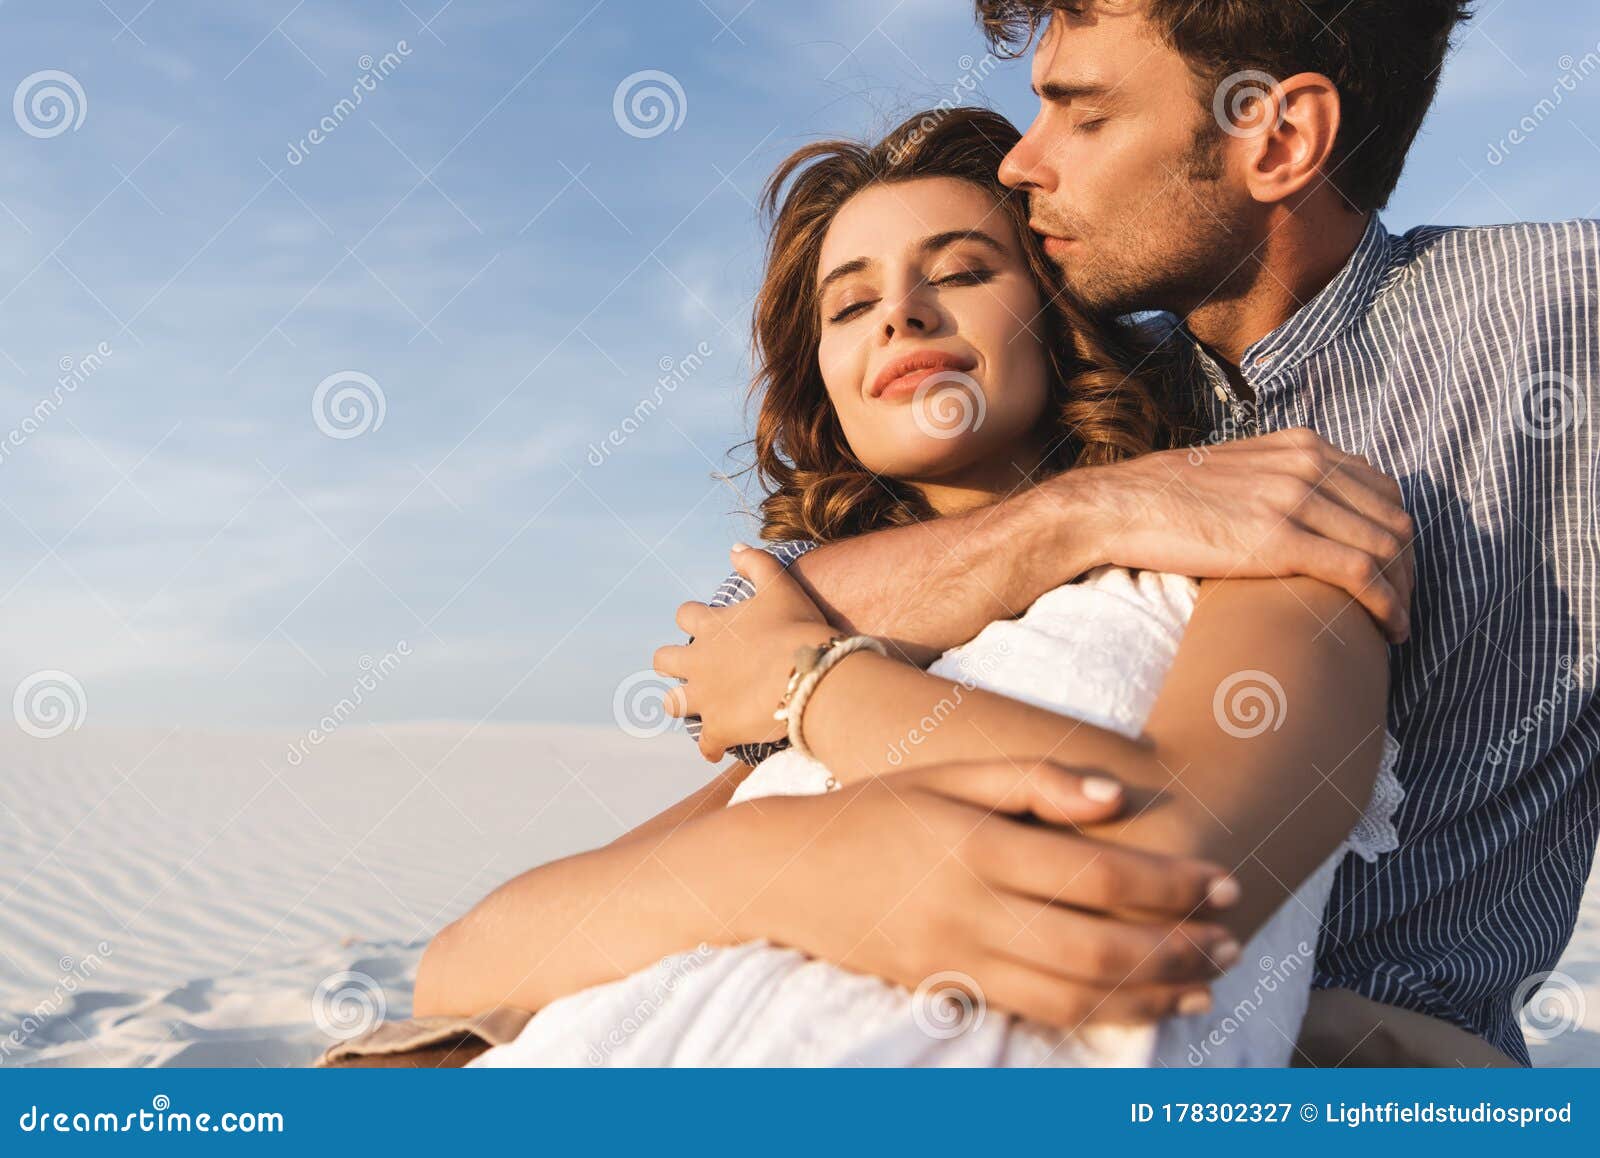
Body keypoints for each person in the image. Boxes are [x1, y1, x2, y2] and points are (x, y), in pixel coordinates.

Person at [683, 0, 1598, 1064]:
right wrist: (1092, 511)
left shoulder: (1558, 325)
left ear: (1279, 137)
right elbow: (744, 637)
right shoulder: (1099, 381)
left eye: (1083, 114)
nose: (1024, 165)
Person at [417, 106, 1403, 1066]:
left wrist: (817, 687)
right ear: (826, 385)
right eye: (849, 305)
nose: (900, 313)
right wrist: (794, 865)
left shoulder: (1261, 543)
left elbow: (1171, 868)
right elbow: (463, 967)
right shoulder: (847, 648)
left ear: (1061, 318)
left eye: (965, 271)